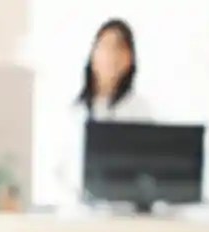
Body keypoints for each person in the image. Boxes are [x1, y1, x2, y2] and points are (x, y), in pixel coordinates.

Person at [52, 18, 153, 204]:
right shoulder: (74, 111)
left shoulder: (140, 109)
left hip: (125, 213)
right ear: (93, 54)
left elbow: (147, 171)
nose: (112, 56)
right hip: (79, 212)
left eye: (120, 49)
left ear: (130, 59)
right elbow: (58, 171)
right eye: (106, 47)